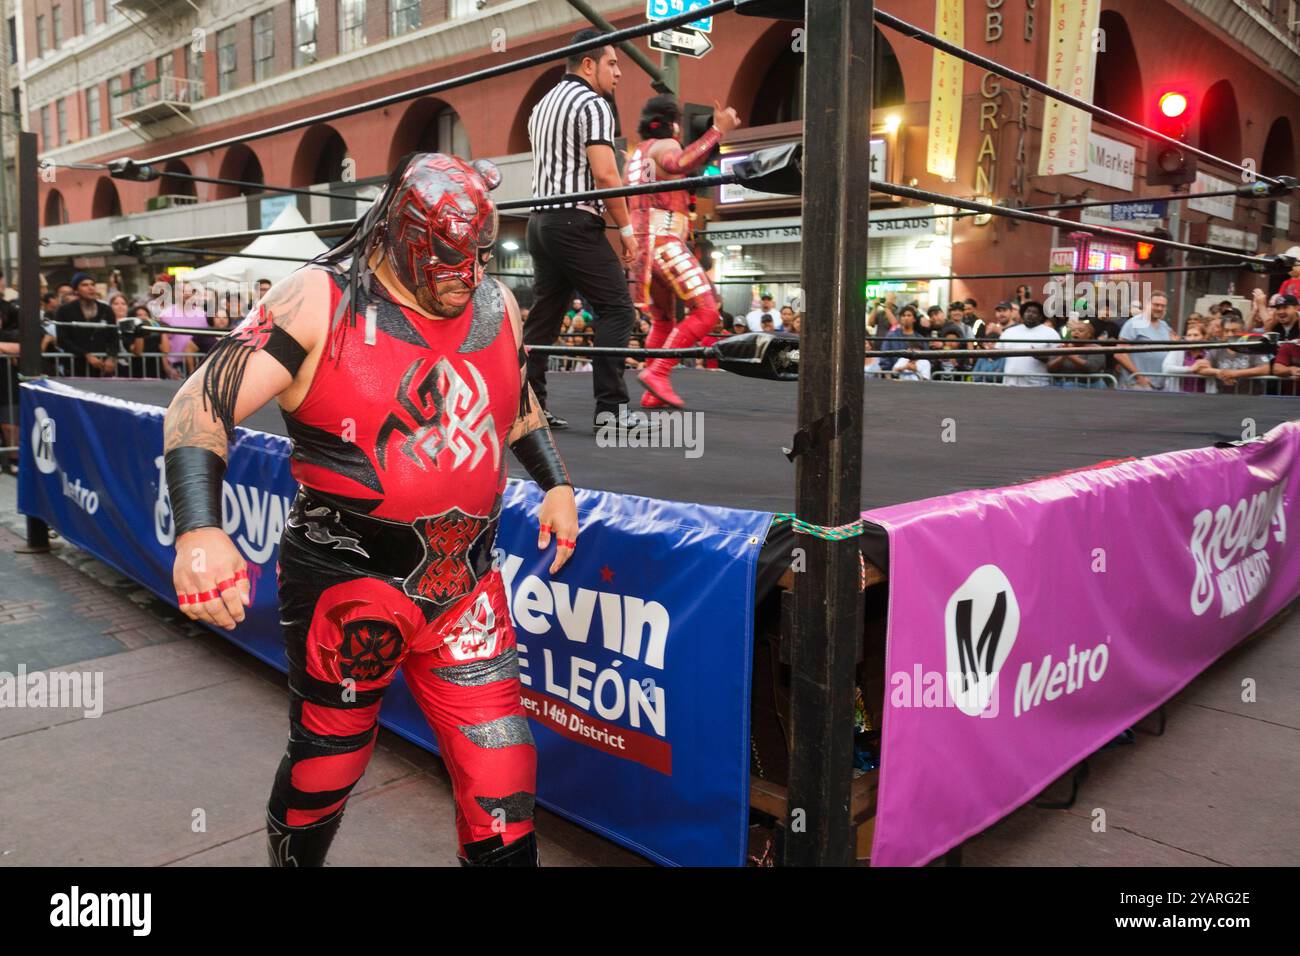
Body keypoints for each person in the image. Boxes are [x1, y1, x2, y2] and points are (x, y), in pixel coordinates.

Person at [162, 152, 578, 868]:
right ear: (400, 234)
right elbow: (199, 400)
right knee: (328, 762)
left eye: (477, 257)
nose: (467, 277)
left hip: (467, 588)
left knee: (504, 773)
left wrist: (557, 482)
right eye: (447, 260)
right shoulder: (318, 299)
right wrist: (201, 528)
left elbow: (515, 400)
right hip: (348, 584)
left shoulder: (495, 304)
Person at [523, 29, 638, 432]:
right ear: (588, 64)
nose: (618, 73)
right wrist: (625, 228)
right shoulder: (593, 103)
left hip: (540, 223)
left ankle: (528, 407)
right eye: (612, 63)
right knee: (618, 308)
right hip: (573, 221)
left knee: (543, 318)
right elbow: (606, 174)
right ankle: (612, 413)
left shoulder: (541, 105)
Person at [626, 94, 741, 408]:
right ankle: (658, 374)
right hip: (664, 242)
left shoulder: (637, 154)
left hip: (644, 249)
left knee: (664, 322)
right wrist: (717, 131)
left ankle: (652, 391)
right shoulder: (666, 146)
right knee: (708, 311)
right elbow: (678, 162)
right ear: (673, 124)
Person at [54, 272, 118, 377]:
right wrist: (86, 355)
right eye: (85, 285)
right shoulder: (65, 311)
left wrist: (111, 357)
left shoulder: (106, 310)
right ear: (76, 290)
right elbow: (62, 339)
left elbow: (114, 337)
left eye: (92, 284)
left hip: (102, 368)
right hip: (75, 367)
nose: (90, 288)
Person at [1115, 290, 1174, 389]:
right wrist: (1139, 377)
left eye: (1163, 306)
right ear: (1147, 305)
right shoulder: (1134, 323)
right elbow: (1119, 353)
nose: (1160, 308)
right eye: (1156, 305)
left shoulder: (1165, 326)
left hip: (1159, 386)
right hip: (1137, 384)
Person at [996, 299, 1061, 386]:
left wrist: (1043, 357)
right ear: (1023, 314)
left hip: (1038, 385)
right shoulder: (1009, 331)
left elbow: (1058, 361)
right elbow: (996, 353)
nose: (1030, 314)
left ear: (1041, 316)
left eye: (1034, 312)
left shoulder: (1050, 333)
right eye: (1027, 311)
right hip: (1010, 385)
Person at [1048, 319, 1107, 387]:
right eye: (1073, 330)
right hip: (1061, 385)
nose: (1076, 332)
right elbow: (1050, 368)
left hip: (1088, 387)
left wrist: (1070, 356)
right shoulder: (1061, 347)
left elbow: (1092, 368)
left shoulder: (1096, 348)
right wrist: (1062, 357)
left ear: (1089, 334)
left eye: (1081, 330)